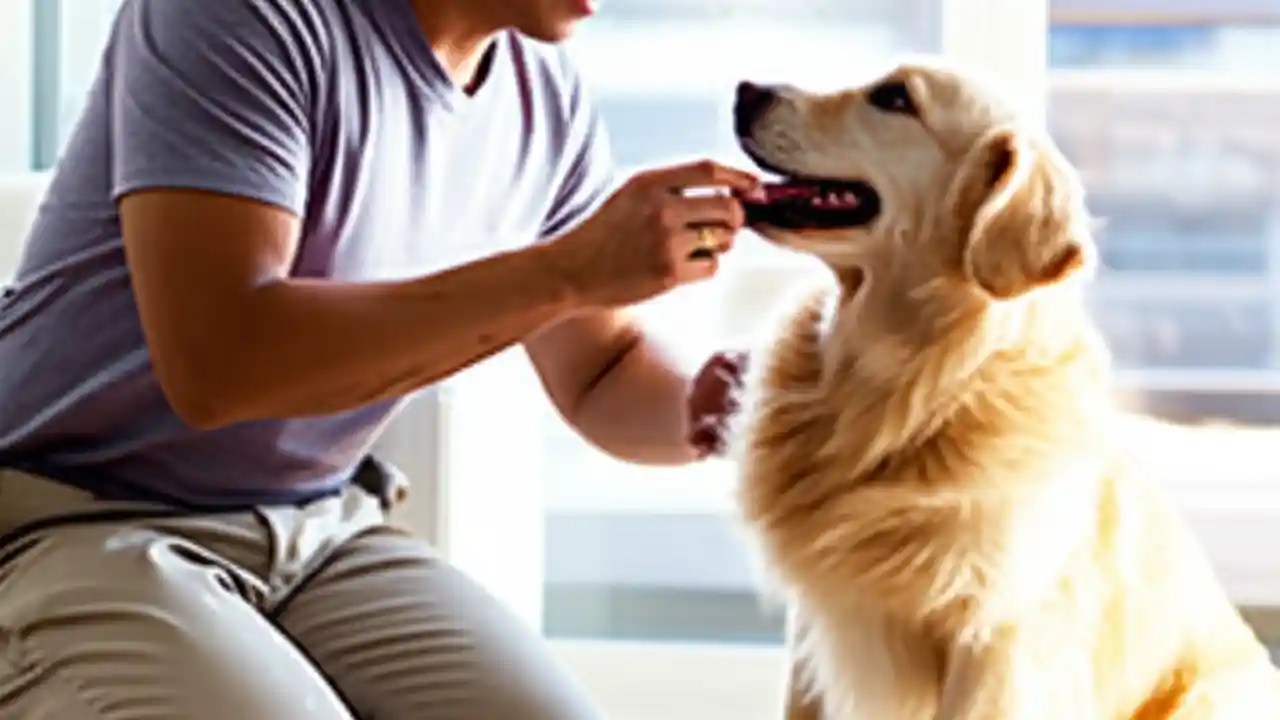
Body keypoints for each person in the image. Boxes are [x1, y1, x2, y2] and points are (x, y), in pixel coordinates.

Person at [0, 0, 754, 717]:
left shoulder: (541, 96)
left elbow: (602, 370)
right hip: (65, 517)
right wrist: (567, 270)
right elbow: (221, 364)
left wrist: (728, 405)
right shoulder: (245, 16)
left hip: (314, 529)